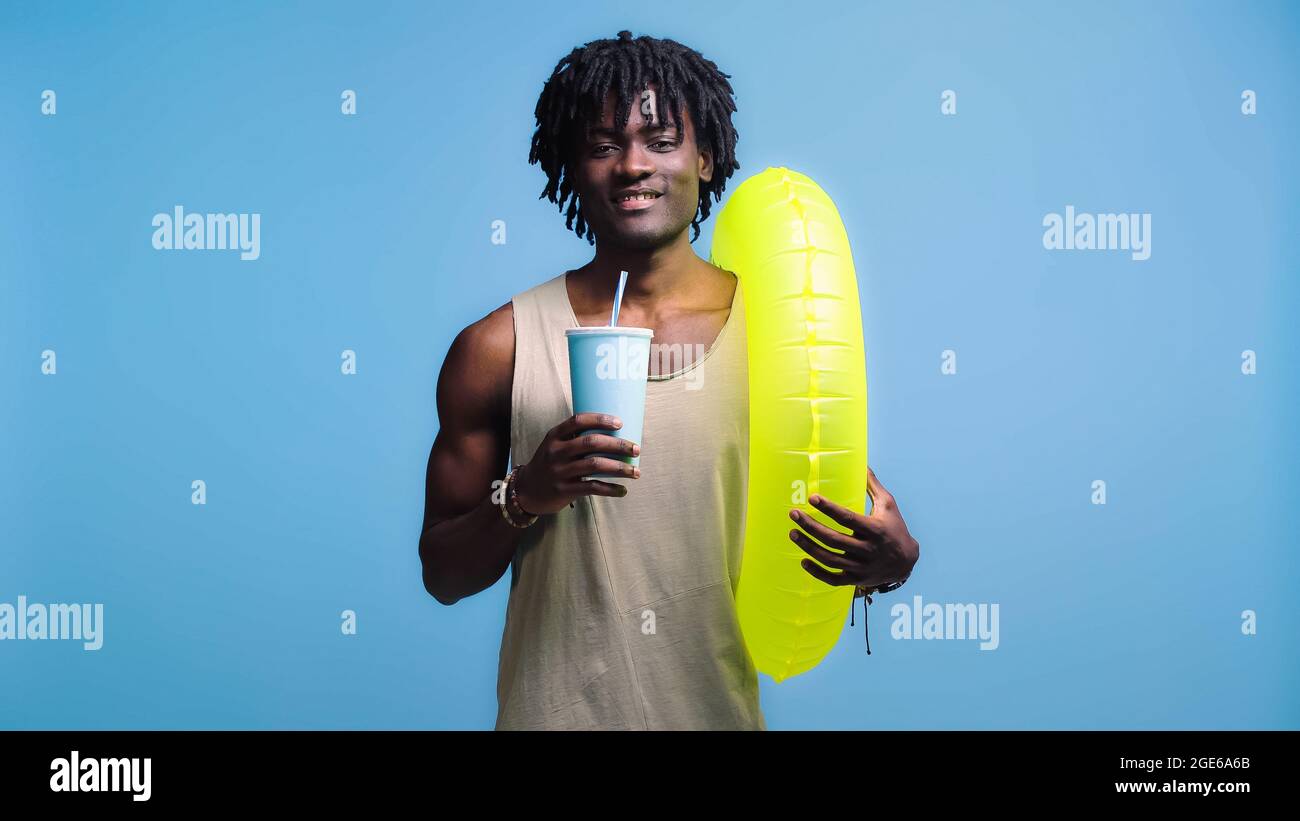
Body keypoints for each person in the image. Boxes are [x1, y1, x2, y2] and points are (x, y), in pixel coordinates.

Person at [417, 30, 919, 730]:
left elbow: (833, 506)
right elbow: (441, 572)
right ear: (571, 164)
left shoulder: (775, 330)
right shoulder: (496, 347)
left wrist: (889, 563)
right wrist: (525, 494)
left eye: (660, 140)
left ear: (705, 157)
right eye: (602, 145)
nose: (632, 166)